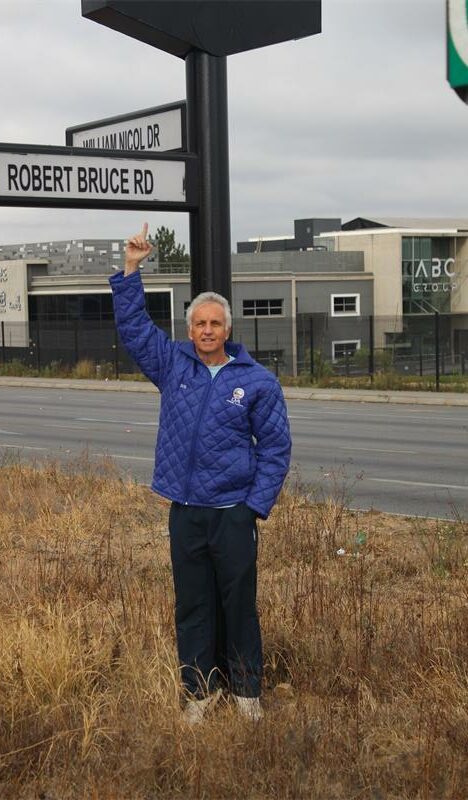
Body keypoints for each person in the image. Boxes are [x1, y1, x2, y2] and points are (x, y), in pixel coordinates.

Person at [110, 223, 292, 723]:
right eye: (199, 324)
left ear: (228, 329)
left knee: (239, 606)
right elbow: (134, 330)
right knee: (192, 607)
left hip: (233, 514)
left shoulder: (257, 381)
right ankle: (201, 692)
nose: (207, 330)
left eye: (216, 323)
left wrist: (253, 507)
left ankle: (247, 691)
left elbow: (276, 447)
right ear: (189, 330)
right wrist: (130, 271)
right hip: (185, 512)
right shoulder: (173, 365)